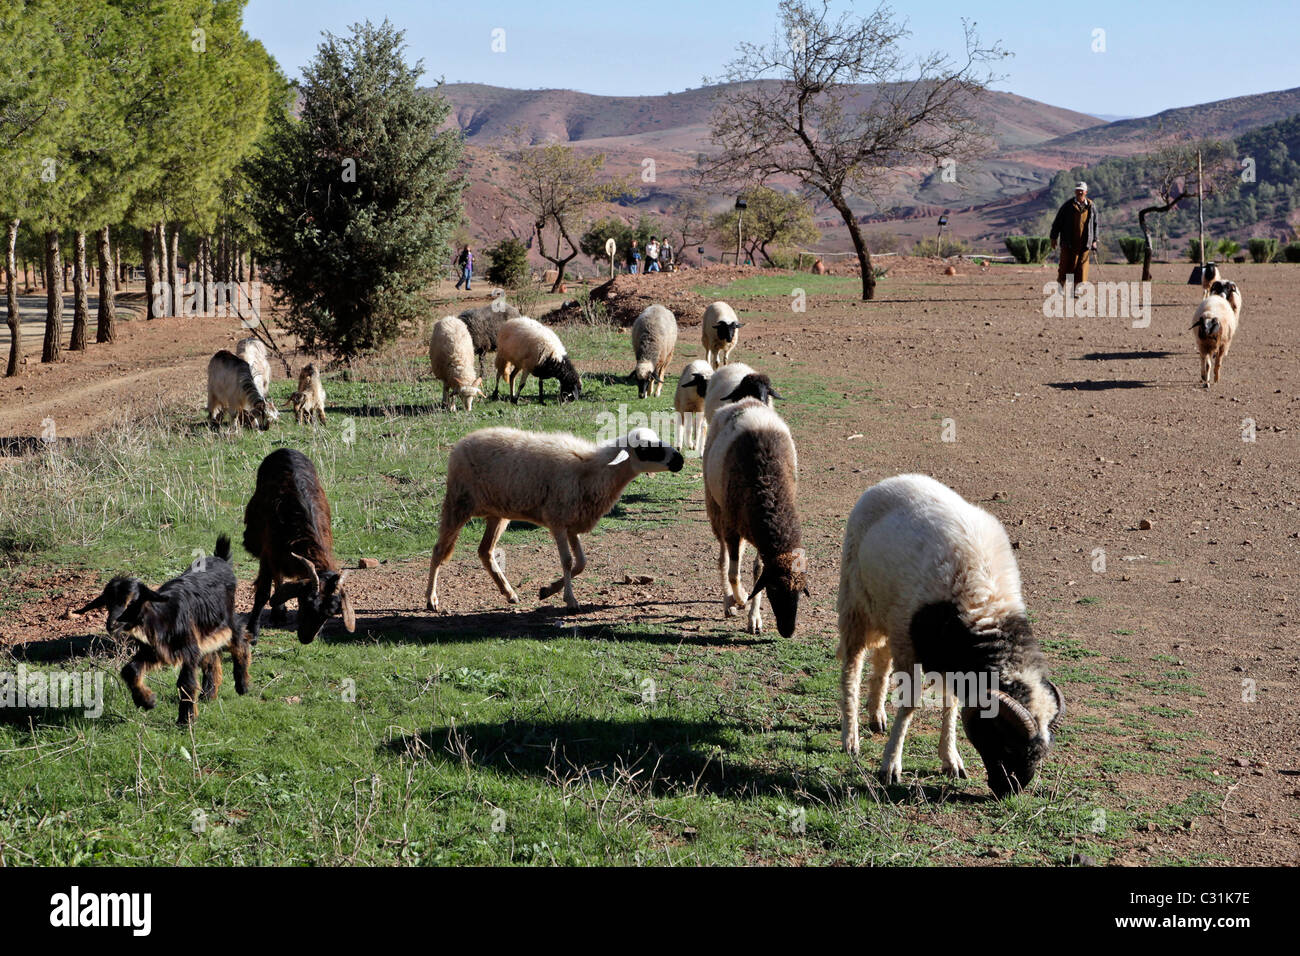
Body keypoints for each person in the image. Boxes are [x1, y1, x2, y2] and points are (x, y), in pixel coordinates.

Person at [1049, 182, 1099, 293]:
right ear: (1075, 192)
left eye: (1082, 190)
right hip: (1068, 242)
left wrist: (1094, 240)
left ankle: (1077, 289)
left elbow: (1095, 224)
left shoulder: (1091, 206)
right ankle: (1061, 287)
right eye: (1078, 190)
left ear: (1086, 192)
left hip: (1085, 243)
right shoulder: (1067, 206)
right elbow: (1057, 222)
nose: (1079, 192)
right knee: (1066, 266)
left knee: (1082, 267)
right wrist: (1053, 237)